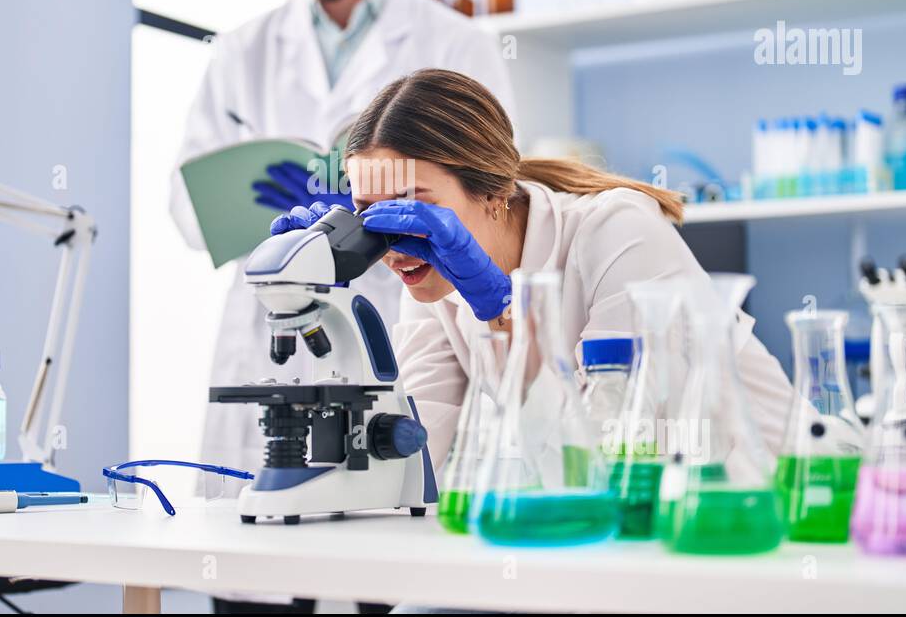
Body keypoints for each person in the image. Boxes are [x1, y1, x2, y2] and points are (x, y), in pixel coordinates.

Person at [169, 0, 514, 613]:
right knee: (251, 582)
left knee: (390, 568)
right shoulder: (245, 52)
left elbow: (496, 187)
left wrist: (391, 209)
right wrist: (261, 202)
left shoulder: (454, 41)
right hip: (274, 324)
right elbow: (186, 210)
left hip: (403, 315)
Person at [271, 69, 794, 473]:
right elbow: (415, 455)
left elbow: (607, 454)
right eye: (369, 209)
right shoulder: (431, 280)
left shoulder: (618, 230)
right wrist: (320, 296)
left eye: (411, 205)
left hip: (774, 511)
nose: (391, 241)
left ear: (494, 193)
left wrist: (501, 309)